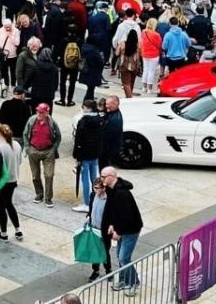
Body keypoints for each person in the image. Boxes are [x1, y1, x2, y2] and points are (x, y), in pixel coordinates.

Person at [101, 167, 143, 296]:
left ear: (111, 177)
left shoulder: (122, 193)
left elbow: (126, 215)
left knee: (124, 257)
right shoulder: (111, 190)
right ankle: (124, 280)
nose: (101, 179)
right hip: (123, 228)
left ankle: (133, 282)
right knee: (120, 255)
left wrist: (118, 231)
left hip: (131, 230)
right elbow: (114, 210)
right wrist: (112, 224)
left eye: (103, 177)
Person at [23, 102, 61, 206]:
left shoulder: (52, 122)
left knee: (49, 175)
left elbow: (58, 136)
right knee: (35, 175)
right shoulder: (32, 120)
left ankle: (48, 198)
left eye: (41, 112)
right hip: (34, 150)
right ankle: (39, 194)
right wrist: (27, 149)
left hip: (48, 151)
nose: (39, 114)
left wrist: (54, 149)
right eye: (38, 111)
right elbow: (25, 134)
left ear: (47, 113)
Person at [0, 124, 23, 241]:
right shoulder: (17, 145)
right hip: (13, 178)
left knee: (1, 206)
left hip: (2, 181)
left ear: (0, 134)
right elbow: (19, 161)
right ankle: (18, 229)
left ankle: (4, 233)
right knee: (9, 204)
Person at [72, 99, 103, 211]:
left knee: (84, 179)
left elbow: (79, 141)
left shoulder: (83, 122)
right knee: (94, 177)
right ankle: (97, 198)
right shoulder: (99, 120)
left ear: (87, 108)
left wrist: (77, 157)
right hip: (95, 154)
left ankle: (86, 203)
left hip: (84, 155)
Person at [86, 178, 112, 283]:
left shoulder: (109, 199)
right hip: (94, 228)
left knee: (105, 251)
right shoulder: (93, 195)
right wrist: (89, 215)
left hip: (104, 231)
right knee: (94, 251)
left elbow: (112, 214)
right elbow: (91, 208)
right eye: (94, 187)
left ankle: (108, 270)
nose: (95, 190)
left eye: (97, 188)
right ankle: (95, 271)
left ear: (103, 188)